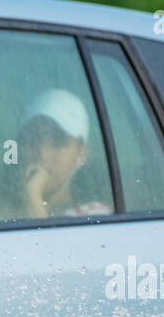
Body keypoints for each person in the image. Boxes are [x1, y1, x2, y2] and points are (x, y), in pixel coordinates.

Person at [15, 88, 111, 220]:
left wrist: (33, 197)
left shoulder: (93, 215)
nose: (43, 154)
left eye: (58, 142)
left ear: (81, 154)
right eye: (32, 139)